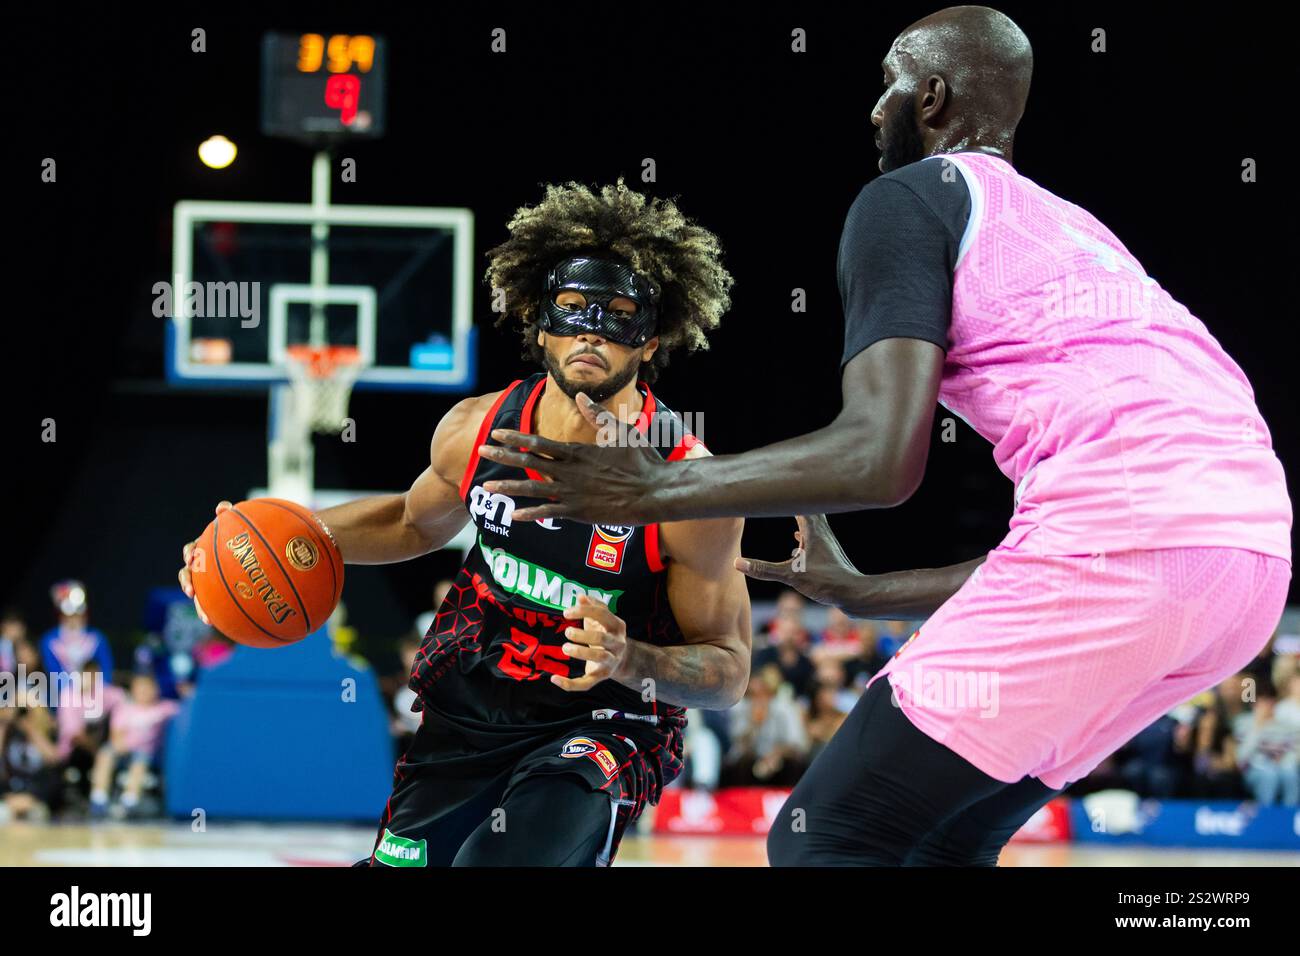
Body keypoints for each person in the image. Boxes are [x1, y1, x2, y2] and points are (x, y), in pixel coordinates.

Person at [476, 7, 1292, 865]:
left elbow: (879, 459)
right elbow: (1120, 541)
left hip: (1129, 553)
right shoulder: (1078, 231)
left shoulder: (908, 198)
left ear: (930, 96)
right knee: (936, 846)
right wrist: (868, 593)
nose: (874, 111)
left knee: (825, 834)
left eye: (888, 83)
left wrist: (648, 491)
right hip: (1249, 568)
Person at [178, 181, 752, 867]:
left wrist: (633, 659)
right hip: (475, 705)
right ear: (540, 325)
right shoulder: (476, 429)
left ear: (650, 342)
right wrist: (270, 539)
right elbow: (410, 522)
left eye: (618, 316)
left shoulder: (690, 486)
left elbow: (727, 669)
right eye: (571, 311)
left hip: (602, 723)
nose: (591, 329)